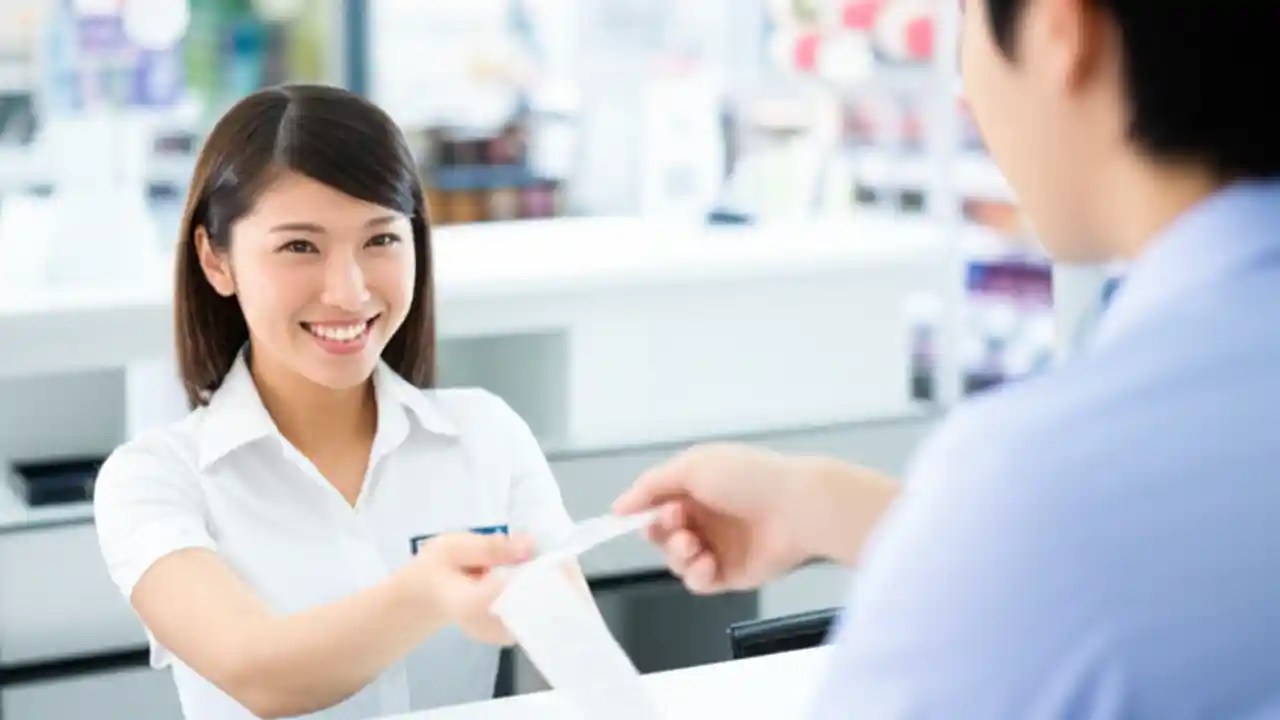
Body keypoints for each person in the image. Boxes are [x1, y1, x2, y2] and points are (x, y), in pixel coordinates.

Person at [616, 1, 1280, 716]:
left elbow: (1081, 556)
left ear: (1061, 33)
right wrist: (839, 511)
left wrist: (965, 523)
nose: (965, 90)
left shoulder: (1044, 490)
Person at [93, 85, 587, 720]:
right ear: (216, 260)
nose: (349, 292)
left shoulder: (487, 434)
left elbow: (573, 647)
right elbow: (259, 672)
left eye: (380, 240)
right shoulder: (154, 479)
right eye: (300, 247)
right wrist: (429, 590)